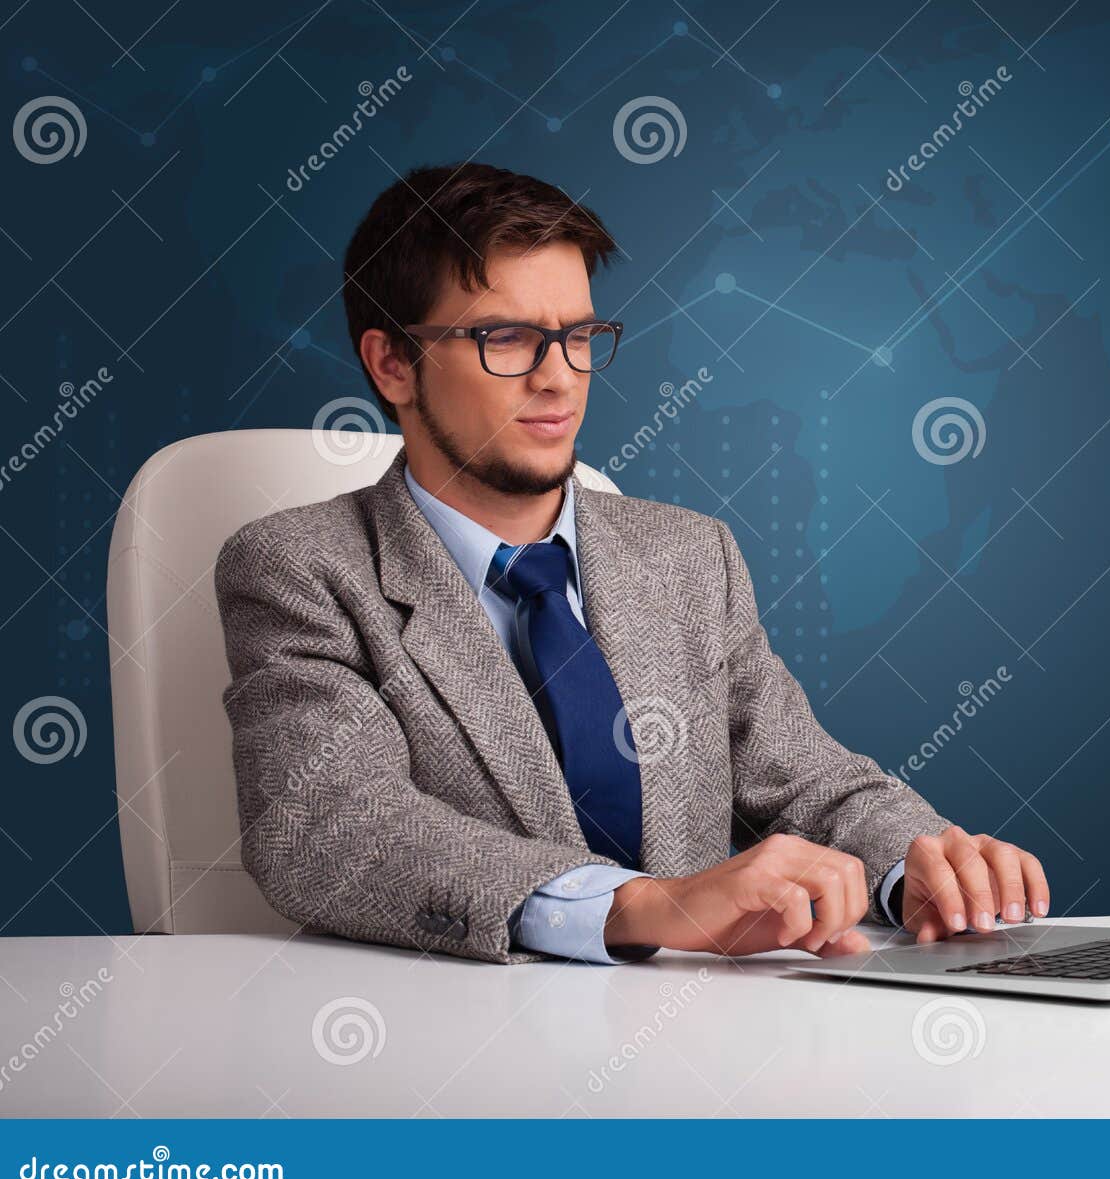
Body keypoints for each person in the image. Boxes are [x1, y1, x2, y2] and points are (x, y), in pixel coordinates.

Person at [215, 161, 1050, 965]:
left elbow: (805, 779)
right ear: (391, 363)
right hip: (455, 1063)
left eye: (578, 335)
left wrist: (920, 872)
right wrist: (647, 907)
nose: (559, 378)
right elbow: (324, 825)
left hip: (697, 1053)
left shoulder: (690, 555)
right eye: (506, 338)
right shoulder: (300, 568)